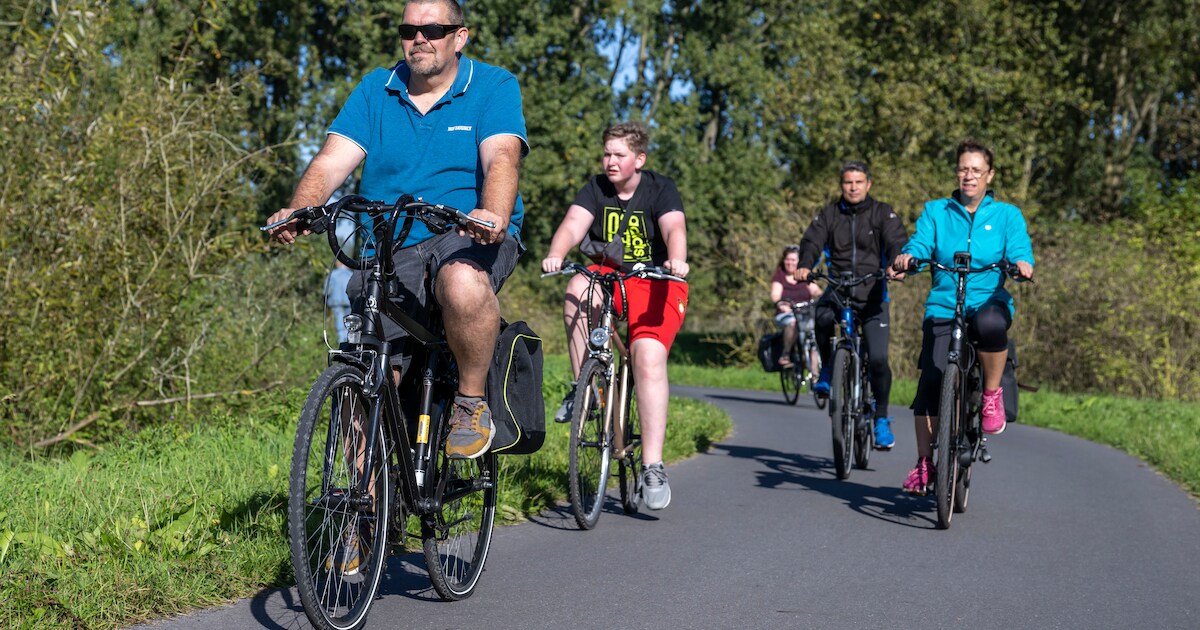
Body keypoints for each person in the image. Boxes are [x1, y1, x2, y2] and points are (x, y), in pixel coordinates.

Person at [267, 0, 528, 461]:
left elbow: (502, 157)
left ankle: (470, 403)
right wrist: (300, 209)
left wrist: (493, 213)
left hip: (467, 230)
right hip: (391, 241)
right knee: (364, 376)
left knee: (462, 281)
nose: (419, 38)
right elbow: (331, 161)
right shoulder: (376, 89)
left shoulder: (493, 86)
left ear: (460, 37)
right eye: (409, 30)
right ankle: (363, 515)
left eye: (433, 29)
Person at [541, 122, 689, 510]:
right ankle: (583, 389)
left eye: (619, 155)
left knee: (647, 356)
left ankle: (654, 465)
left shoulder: (660, 188)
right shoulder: (596, 188)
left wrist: (678, 258)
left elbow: (674, 227)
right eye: (607, 153)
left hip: (657, 279)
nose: (610, 161)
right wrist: (558, 252)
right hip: (612, 276)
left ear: (639, 160)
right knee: (576, 289)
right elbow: (573, 224)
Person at [892, 138, 1034, 495]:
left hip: (988, 299)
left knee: (990, 324)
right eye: (962, 169)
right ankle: (925, 465)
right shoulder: (936, 211)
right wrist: (909, 258)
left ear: (989, 175)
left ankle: (990, 395)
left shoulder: (1007, 215)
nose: (968, 176)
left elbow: (1019, 250)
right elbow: (921, 244)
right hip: (944, 304)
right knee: (930, 380)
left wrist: (1021, 264)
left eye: (975, 170)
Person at [795, 161, 908, 450]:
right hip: (839, 289)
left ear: (868, 184)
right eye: (848, 182)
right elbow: (811, 241)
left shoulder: (882, 213)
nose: (853, 187)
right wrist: (806, 265)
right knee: (820, 316)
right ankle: (827, 369)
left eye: (859, 182)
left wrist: (897, 262)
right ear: (841, 185)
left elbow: (897, 240)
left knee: (879, 359)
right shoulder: (829, 215)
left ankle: (881, 418)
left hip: (873, 294)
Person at [769, 245, 822, 373]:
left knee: (814, 338)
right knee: (792, 323)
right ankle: (786, 354)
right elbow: (775, 294)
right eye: (788, 259)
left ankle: (815, 377)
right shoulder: (779, 277)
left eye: (793, 260)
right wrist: (781, 304)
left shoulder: (804, 275)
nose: (790, 263)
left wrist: (821, 296)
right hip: (787, 314)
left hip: (805, 313)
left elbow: (815, 290)